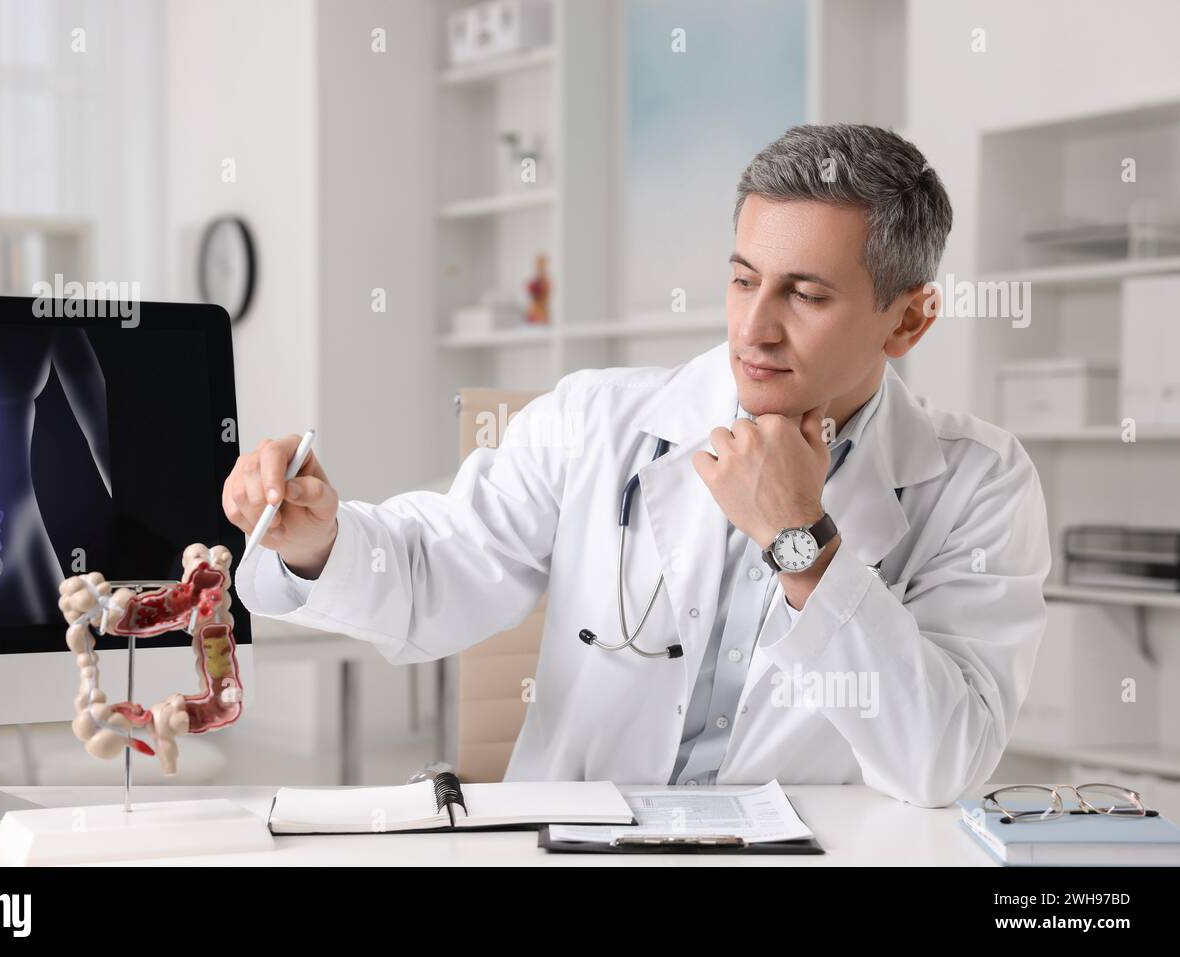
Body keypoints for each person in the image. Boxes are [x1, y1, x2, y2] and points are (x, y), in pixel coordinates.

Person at [227, 124, 1051, 807]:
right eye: (742, 279)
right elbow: (434, 566)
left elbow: (944, 759)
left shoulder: (978, 484)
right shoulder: (598, 420)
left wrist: (803, 542)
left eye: (804, 294)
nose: (752, 329)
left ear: (907, 322)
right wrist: (319, 539)